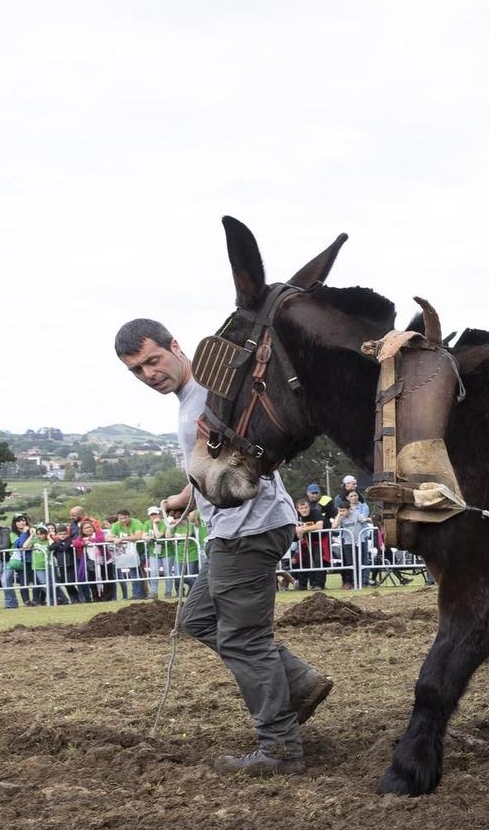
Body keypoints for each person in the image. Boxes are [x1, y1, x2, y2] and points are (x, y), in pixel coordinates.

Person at [117, 317, 333, 776]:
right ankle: (297, 681)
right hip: (232, 531)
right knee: (197, 618)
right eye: (136, 370)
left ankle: (279, 747)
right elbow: (212, 464)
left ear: (176, 346)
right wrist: (185, 497)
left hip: (247, 531)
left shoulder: (213, 397)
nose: (149, 374)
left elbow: (251, 456)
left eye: (153, 360)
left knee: (243, 639)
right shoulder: (191, 402)